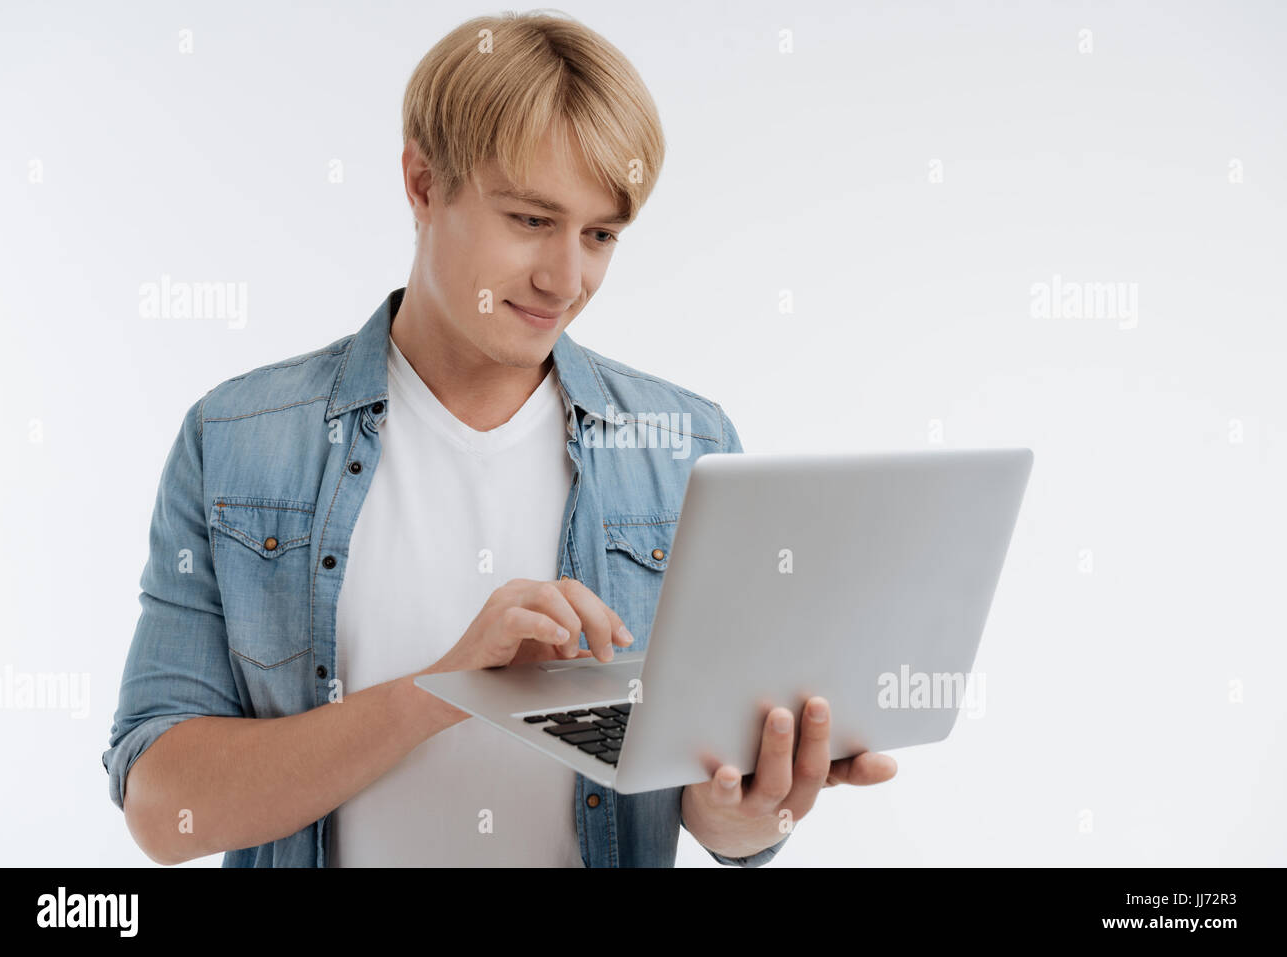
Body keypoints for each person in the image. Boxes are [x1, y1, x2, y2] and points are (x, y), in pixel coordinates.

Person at [103, 10, 896, 868]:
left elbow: (718, 819)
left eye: (600, 235)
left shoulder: (685, 447)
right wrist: (449, 689)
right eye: (529, 220)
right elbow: (162, 806)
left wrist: (755, 808)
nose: (566, 279)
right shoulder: (242, 440)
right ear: (421, 182)